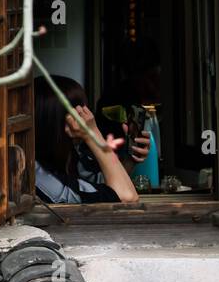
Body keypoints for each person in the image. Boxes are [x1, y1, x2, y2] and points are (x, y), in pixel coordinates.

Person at [33, 75, 148, 204]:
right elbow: (125, 196)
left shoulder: (73, 157)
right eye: (80, 112)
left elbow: (106, 185)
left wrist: (130, 159)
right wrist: (93, 135)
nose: (89, 118)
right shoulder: (37, 176)